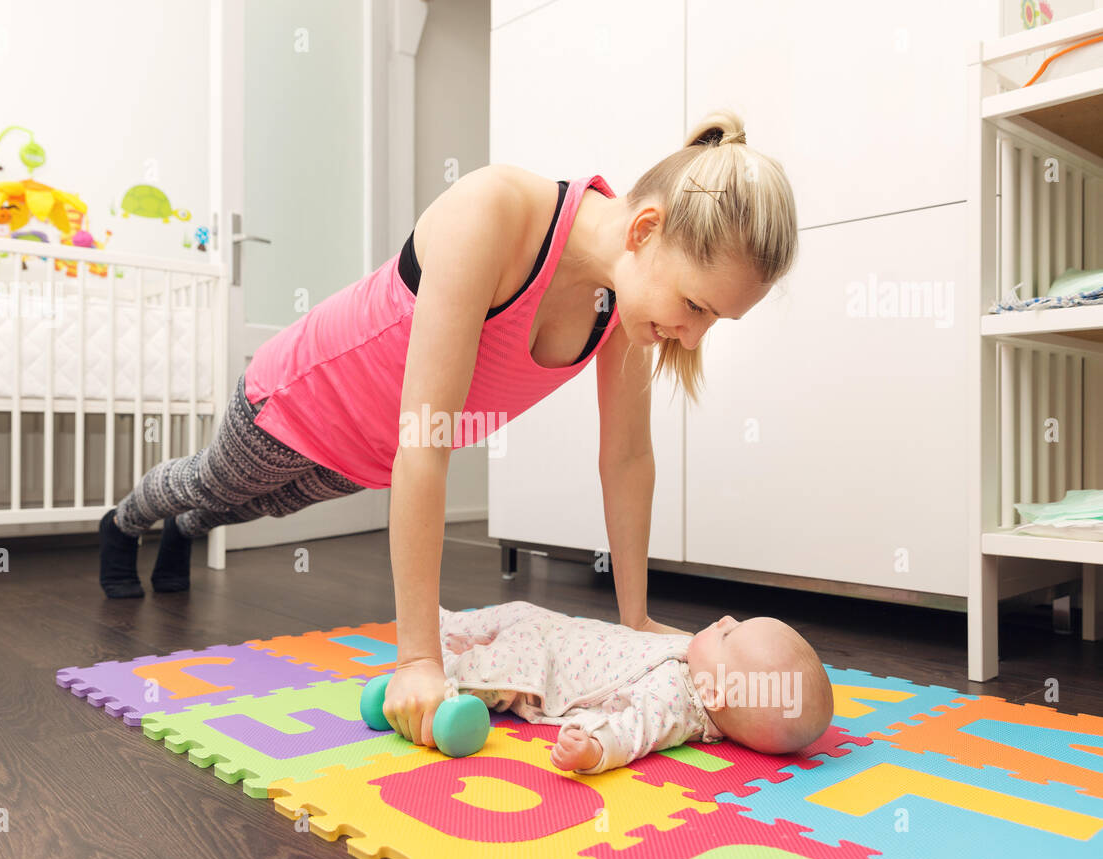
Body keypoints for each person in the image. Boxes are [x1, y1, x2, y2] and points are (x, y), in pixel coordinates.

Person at [98, 109, 799, 752]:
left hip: (374, 456)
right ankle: (126, 521)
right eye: (695, 306)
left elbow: (626, 457)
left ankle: (185, 531)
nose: (692, 333)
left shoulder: (624, 300)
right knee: (212, 484)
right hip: (299, 400)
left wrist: (637, 620)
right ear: (645, 230)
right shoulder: (492, 212)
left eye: (713, 320)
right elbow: (427, 439)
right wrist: (418, 661)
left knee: (251, 509)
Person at [439, 600, 833, 773]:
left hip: (541, 670)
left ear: (713, 695)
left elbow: (632, 732)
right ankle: (444, 621)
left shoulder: (674, 705)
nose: (726, 619)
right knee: (515, 613)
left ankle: (428, 663)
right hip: (561, 630)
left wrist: (594, 749)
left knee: (477, 671)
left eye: (729, 635)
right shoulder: (703, 665)